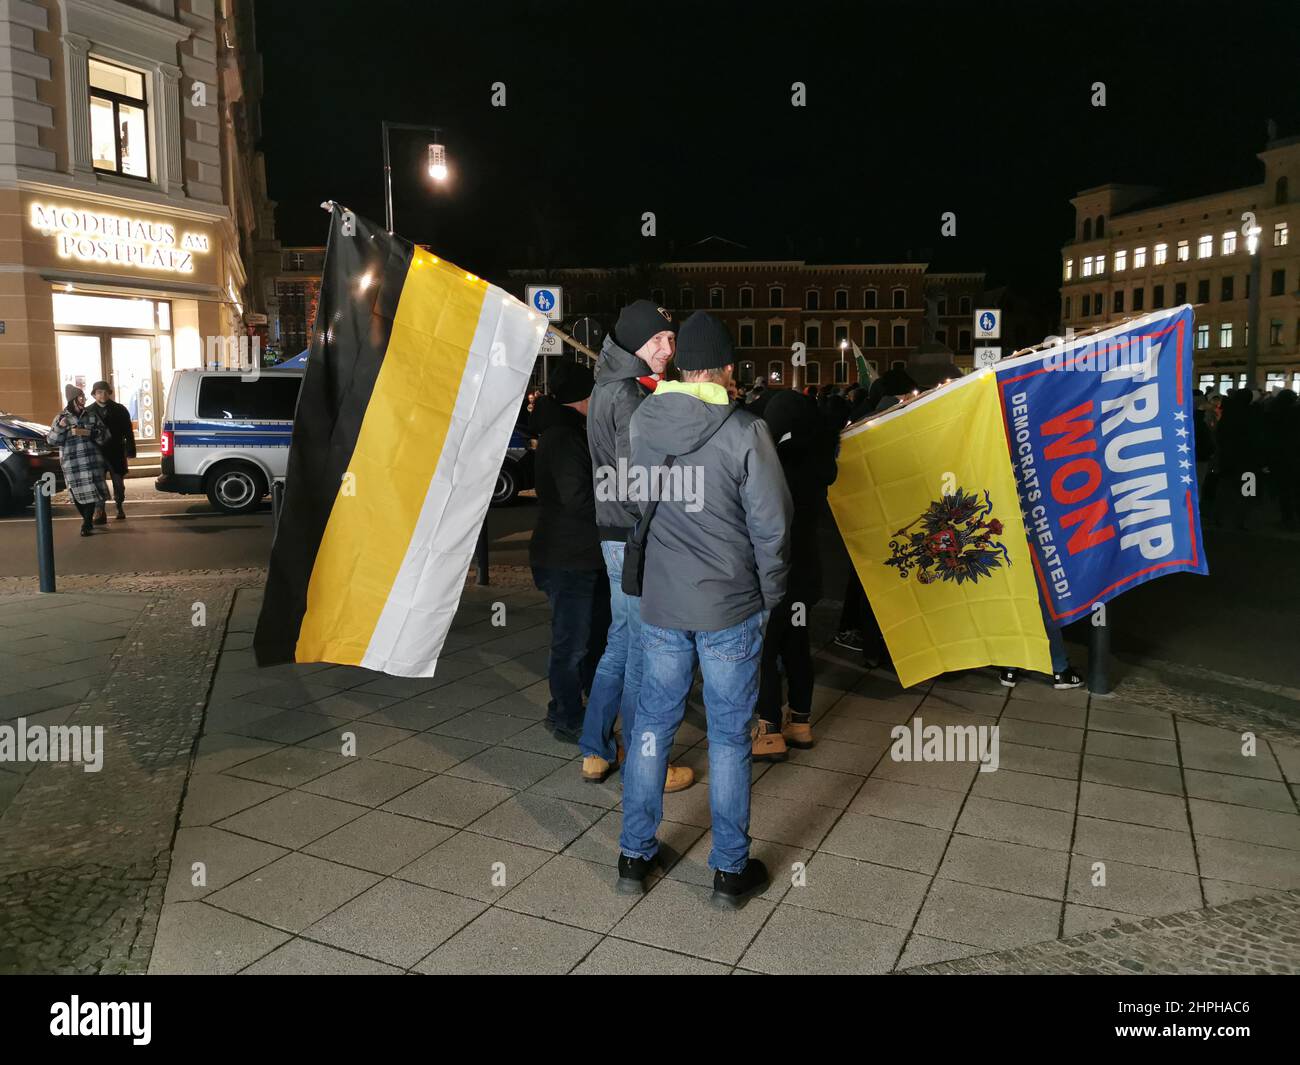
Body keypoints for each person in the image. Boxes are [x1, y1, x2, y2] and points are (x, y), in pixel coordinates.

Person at [618, 311, 792, 908]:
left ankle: (633, 855)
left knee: (650, 727)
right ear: (725, 367)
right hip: (730, 606)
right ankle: (727, 873)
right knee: (727, 737)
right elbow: (773, 529)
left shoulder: (644, 421)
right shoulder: (746, 431)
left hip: (663, 604)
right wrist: (771, 595)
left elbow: (634, 501)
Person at [582, 300, 694, 791]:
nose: (667, 349)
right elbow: (636, 482)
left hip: (612, 532)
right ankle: (638, 756)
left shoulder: (607, 385)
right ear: (634, 342)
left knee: (620, 643)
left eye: (671, 340)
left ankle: (595, 750)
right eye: (657, 340)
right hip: (632, 536)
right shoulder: (629, 394)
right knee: (640, 654)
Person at [752, 390, 838, 760]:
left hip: (776, 574)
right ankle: (800, 721)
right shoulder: (819, 459)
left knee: (767, 649)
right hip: (806, 576)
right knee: (797, 645)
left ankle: (768, 728)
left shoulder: (775, 463)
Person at [530, 362, 611, 742]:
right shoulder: (563, 437)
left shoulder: (563, 432)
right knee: (571, 643)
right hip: (568, 558)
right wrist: (615, 505)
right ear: (584, 397)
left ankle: (570, 705)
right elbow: (578, 498)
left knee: (583, 638)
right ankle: (566, 714)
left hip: (573, 555)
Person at [47, 385, 111, 536]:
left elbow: (106, 435)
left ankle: (87, 523)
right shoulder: (61, 418)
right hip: (72, 463)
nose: (83, 400)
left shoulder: (91, 415)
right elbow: (51, 440)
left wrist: (91, 433)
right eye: (80, 397)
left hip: (91, 461)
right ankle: (86, 519)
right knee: (77, 495)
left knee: (92, 493)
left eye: (83, 397)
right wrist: (60, 427)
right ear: (72, 400)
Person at [90, 381, 135, 523]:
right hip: (96, 452)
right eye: (99, 392)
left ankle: (119, 505)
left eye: (105, 392)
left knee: (118, 483)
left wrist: (130, 449)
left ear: (109, 393)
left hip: (116, 451)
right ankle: (99, 509)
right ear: (94, 394)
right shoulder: (89, 411)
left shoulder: (120, 409)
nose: (102, 395)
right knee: (98, 483)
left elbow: (128, 431)